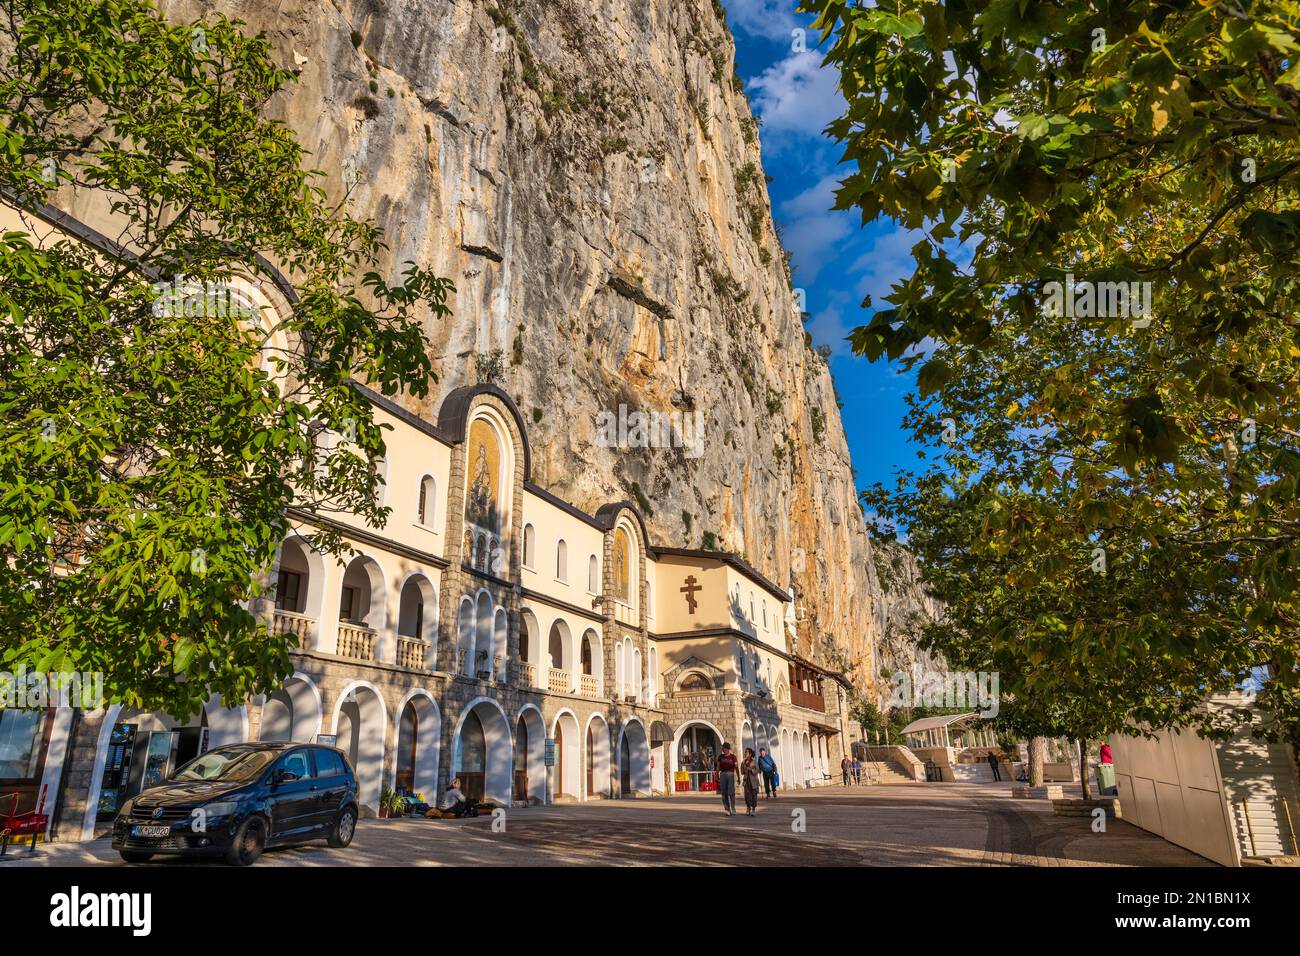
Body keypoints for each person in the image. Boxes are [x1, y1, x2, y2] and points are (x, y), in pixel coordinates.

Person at [715, 742, 738, 815]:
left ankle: (733, 808)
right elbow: (718, 766)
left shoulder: (733, 757)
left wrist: (739, 777)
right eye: (722, 748)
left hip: (730, 774)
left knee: (731, 792)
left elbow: (736, 767)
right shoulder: (720, 757)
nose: (722, 749)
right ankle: (727, 809)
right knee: (724, 793)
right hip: (723, 774)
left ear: (727, 749)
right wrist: (717, 775)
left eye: (724, 748)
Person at [741, 748, 760, 816]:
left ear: (750, 754)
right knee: (747, 795)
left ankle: (753, 809)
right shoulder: (743, 762)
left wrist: (751, 770)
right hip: (746, 780)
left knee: (754, 795)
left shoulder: (754, 762)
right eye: (745, 752)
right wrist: (744, 769)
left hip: (754, 780)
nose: (745, 753)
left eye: (746, 752)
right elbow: (742, 771)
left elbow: (757, 770)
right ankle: (748, 808)